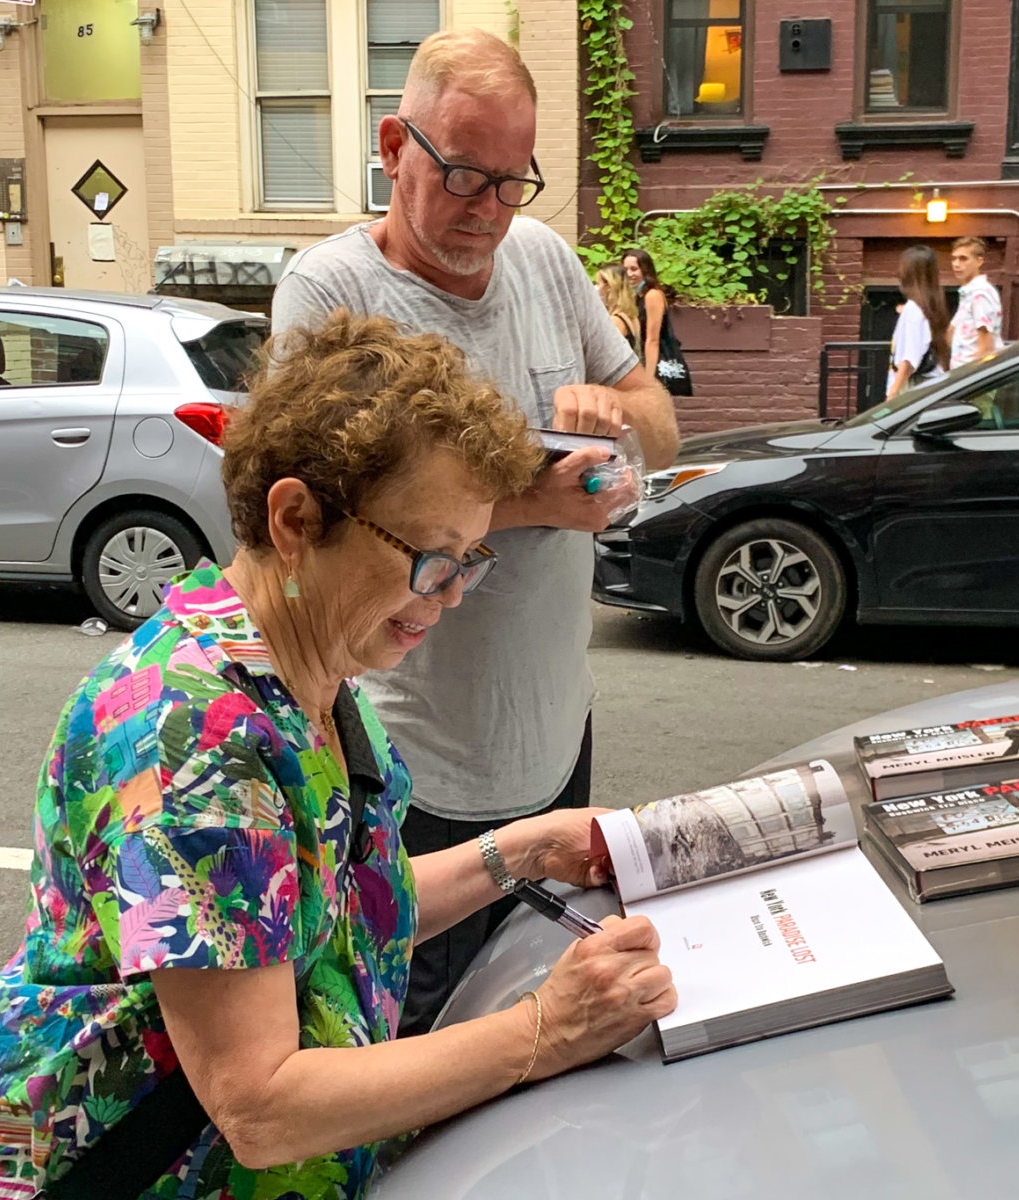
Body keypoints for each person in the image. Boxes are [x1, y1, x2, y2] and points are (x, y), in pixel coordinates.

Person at [0, 313, 676, 1199]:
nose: (451, 595)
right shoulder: (190, 739)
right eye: (430, 558)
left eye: (469, 560)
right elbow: (261, 1105)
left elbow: (334, 910)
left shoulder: (298, 667)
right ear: (296, 519)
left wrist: (528, 849)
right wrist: (547, 1028)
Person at [270, 28, 679, 1038]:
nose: (489, 209)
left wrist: (618, 427)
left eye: (511, 181)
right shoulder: (330, 294)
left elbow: (659, 424)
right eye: (461, 174)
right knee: (409, 1031)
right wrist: (541, 503)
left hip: (555, 734)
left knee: (529, 987)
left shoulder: (541, 259)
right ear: (393, 145)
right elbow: (332, 529)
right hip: (412, 757)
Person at [622, 247, 692, 394]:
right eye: (625, 269)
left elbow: (652, 340)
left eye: (634, 269)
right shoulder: (637, 296)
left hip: (657, 361)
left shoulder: (652, 295)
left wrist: (649, 379)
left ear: (645, 270)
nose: (629, 274)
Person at [886, 244, 951, 401]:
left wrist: (892, 394)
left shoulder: (913, 309)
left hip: (913, 388)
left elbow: (909, 359)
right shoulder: (933, 306)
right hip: (932, 384)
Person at [948, 236, 1005, 369]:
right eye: (954, 258)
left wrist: (975, 375)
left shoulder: (980, 294)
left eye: (963, 258)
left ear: (979, 261)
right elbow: (951, 332)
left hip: (971, 372)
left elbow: (986, 343)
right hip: (961, 370)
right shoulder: (969, 292)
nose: (956, 264)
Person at [596, 261, 640, 355]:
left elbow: (608, 354)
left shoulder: (616, 320)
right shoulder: (631, 315)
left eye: (598, 283)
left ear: (608, 285)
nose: (597, 287)